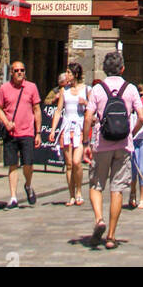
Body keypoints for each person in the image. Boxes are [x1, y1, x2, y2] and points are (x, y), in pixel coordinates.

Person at [82, 49, 143, 250]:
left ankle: (99, 218)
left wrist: (85, 143)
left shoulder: (98, 90)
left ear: (104, 69)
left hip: (101, 143)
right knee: (117, 189)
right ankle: (111, 235)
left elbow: (87, 118)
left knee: (96, 185)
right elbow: (142, 117)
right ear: (123, 68)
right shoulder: (131, 88)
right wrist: (131, 134)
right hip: (123, 144)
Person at [0, 60, 42, 208]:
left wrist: (38, 132)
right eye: (16, 70)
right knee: (12, 165)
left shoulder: (31, 87)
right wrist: (6, 122)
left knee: (28, 164)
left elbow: (37, 110)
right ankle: (13, 197)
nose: (20, 72)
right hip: (11, 133)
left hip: (27, 131)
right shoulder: (4, 89)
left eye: (22, 70)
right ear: (11, 73)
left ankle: (28, 186)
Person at [49, 62, 89, 205]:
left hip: (79, 127)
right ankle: (72, 195)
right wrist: (53, 129)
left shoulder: (85, 89)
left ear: (75, 75)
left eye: (69, 73)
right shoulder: (63, 91)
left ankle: (79, 190)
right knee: (69, 164)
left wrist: (85, 102)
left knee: (77, 161)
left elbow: (92, 108)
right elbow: (59, 110)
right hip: (66, 128)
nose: (66, 75)